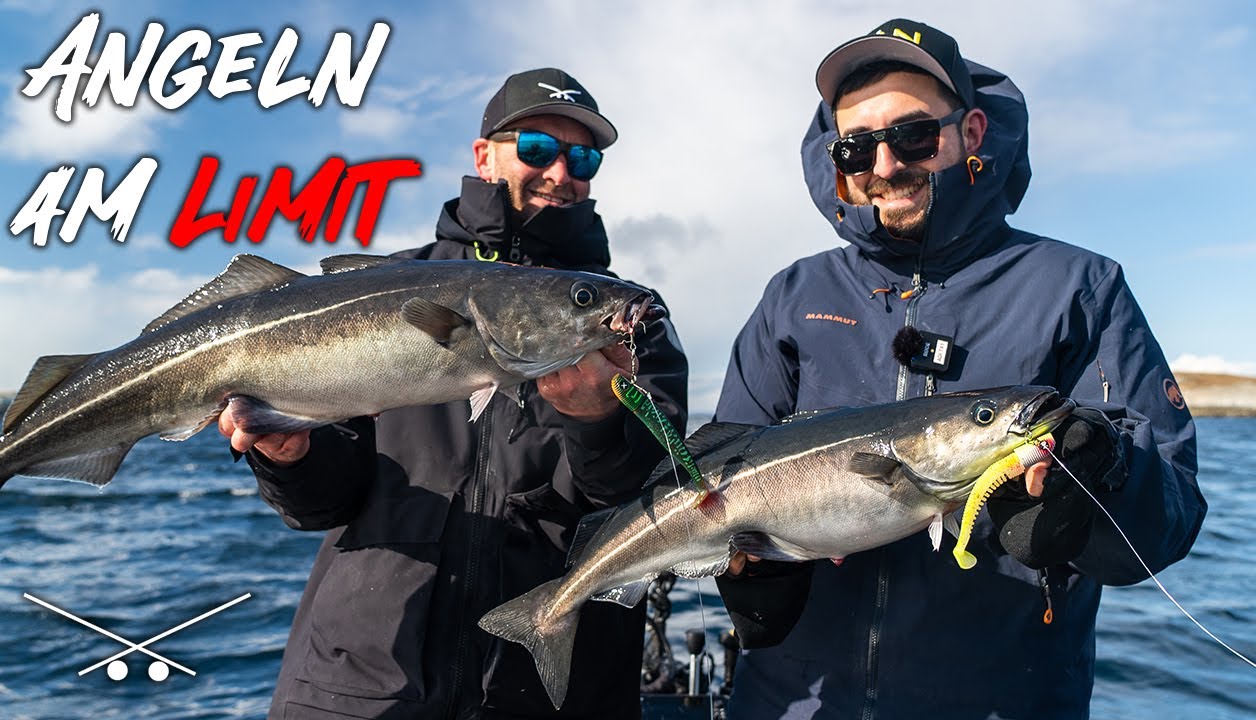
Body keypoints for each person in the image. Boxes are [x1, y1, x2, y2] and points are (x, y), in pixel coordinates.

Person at [713, 19, 1205, 719]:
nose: (883, 165)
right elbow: (718, 470)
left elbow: (1169, 523)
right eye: (855, 147)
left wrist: (1105, 477)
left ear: (971, 133)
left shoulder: (1081, 288)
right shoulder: (793, 297)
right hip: (789, 703)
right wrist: (753, 582)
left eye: (912, 135)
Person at [220, 68, 689, 719]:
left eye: (581, 156)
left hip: (555, 692)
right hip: (357, 687)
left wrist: (600, 422)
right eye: (535, 149)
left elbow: (663, 499)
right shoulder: (384, 290)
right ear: (483, 154)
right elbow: (326, 505)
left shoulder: (627, 316)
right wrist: (289, 457)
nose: (559, 171)